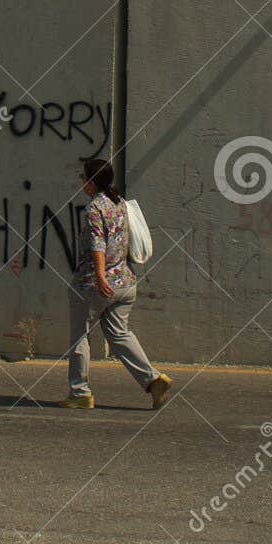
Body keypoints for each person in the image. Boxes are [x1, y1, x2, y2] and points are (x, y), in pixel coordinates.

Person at [60, 156, 172, 411]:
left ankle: (80, 392)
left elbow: (97, 245)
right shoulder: (119, 202)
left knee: (80, 335)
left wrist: (100, 276)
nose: (81, 182)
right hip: (125, 282)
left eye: (84, 177)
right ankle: (153, 380)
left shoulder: (93, 209)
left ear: (91, 182)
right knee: (119, 334)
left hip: (95, 284)